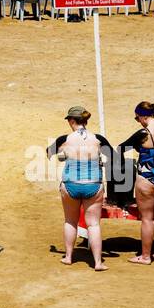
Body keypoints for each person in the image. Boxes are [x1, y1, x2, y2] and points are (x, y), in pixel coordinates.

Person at [55, 106, 107, 271]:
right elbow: (113, 156)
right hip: (93, 184)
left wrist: (63, 152)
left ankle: (68, 257)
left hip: (71, 184)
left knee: (70, 221)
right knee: (93, 224)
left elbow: (50, 153)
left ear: (71, 121)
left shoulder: (65, 138)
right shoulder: (98, 138)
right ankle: (98, 262)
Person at [121, 101, 154, 265]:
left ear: (143, 116)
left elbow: (121, 148)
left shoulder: (143, 132)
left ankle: (145, 256)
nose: (138, 121)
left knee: (147, 218)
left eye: (137, 118)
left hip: (147, 174)